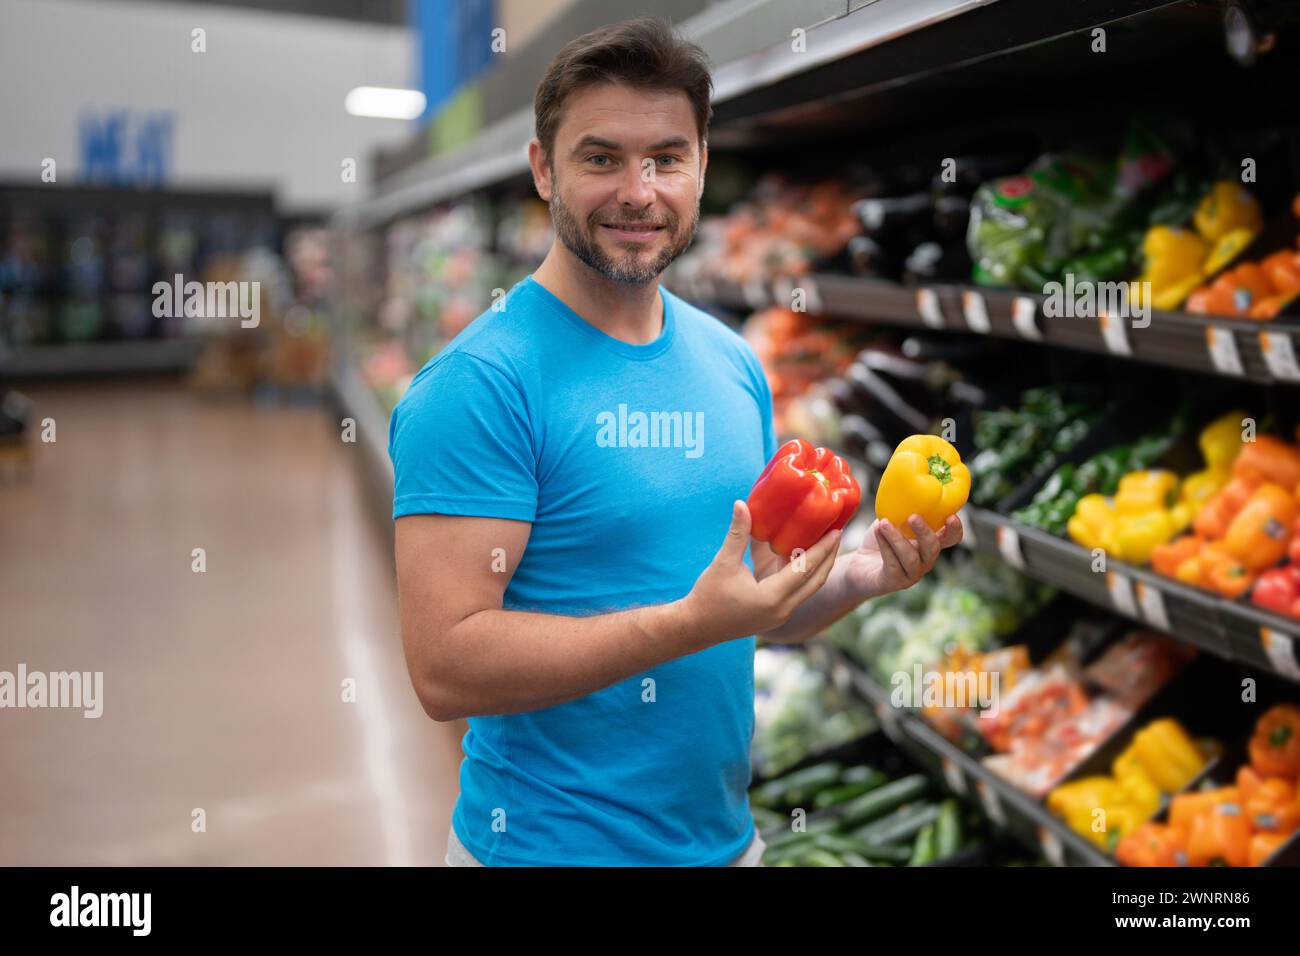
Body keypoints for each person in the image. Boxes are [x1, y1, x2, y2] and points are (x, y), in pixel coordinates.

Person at [389, 16, 962, 867]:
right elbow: (446, 669)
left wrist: (859, 579)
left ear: (700, 166)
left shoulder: (731, 363)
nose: (638, 190)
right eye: (601, 158)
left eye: (666, 157)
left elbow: (748, 607)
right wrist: (686, 624)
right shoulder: (480, 383)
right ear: (543, 168)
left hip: (728, 845)